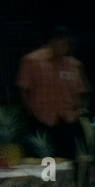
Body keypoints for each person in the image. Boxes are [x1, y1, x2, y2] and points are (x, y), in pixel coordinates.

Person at [16, 26, 88, 162]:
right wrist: (31, 112)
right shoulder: (31, 61)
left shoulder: (73, 64)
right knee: (45, 163)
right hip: (42, 119)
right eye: (63, 43)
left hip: (68, 120)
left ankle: (67, 183)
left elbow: (81, 91)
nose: (66, 47)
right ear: (53, 42)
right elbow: (23, 89)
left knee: (68, 163)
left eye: (68, 44)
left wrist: (80, 110)